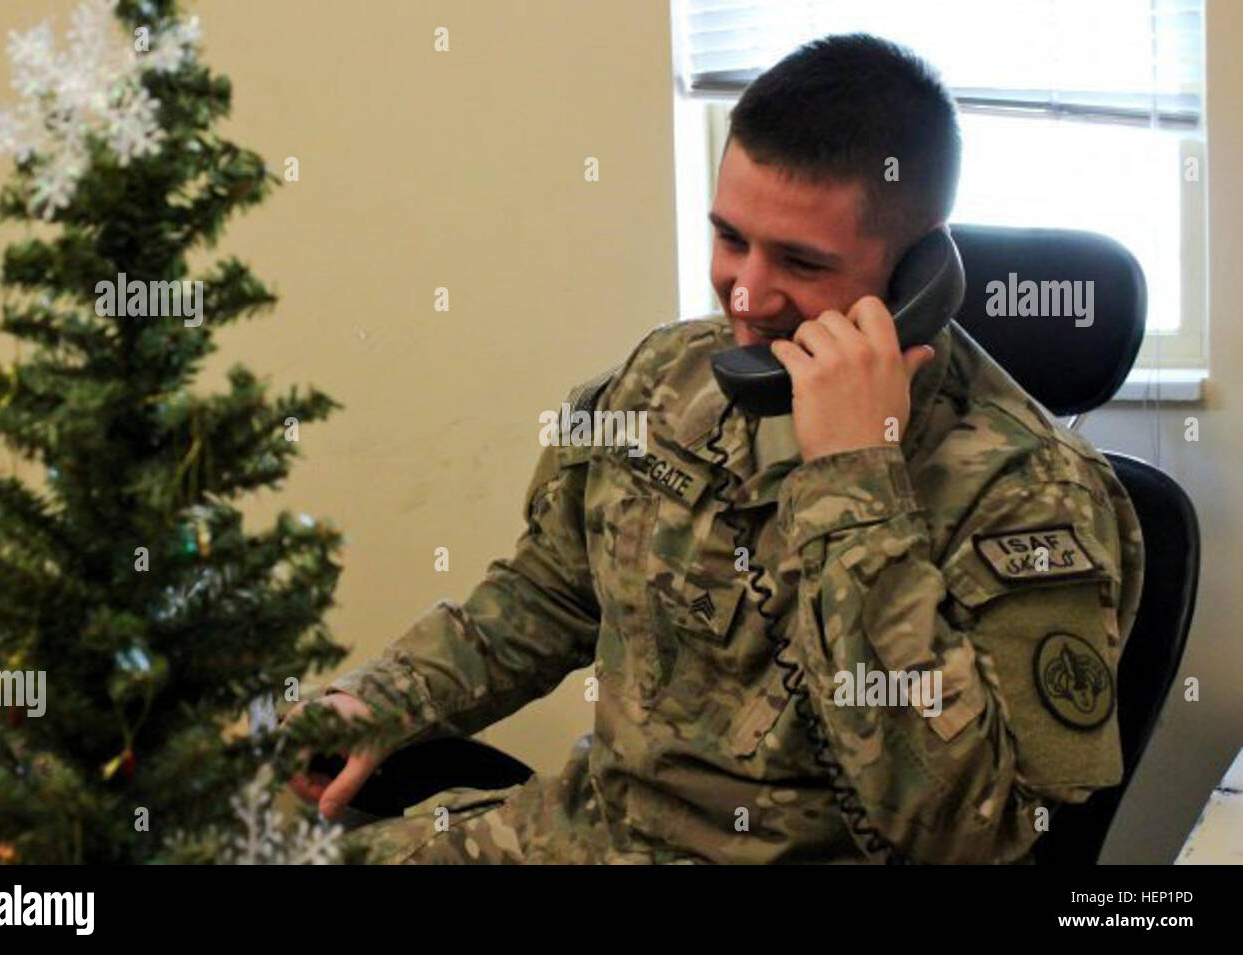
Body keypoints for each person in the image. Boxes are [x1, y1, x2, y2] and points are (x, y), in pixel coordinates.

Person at [286, 32, 1144, 864]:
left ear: (916, 273)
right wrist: (388, 696)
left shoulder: (1031, 492)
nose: (747, 292)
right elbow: (549, 591)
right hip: (591, 832)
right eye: (731, 237)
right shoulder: (671, 376)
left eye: (801, 262)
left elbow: (970, 828)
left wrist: (855, 481)